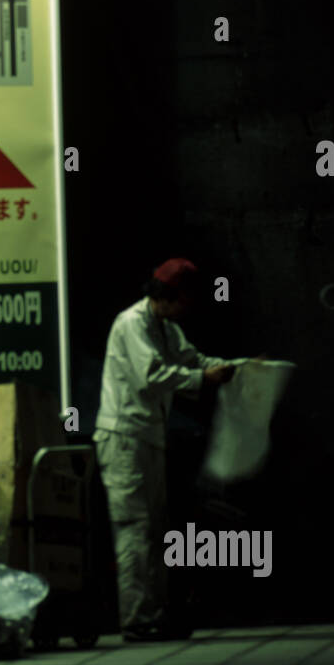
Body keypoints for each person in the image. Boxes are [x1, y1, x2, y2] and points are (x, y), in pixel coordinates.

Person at [93, 258, 236, 643]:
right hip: (124, 437)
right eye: (185, 300)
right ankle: (138, 619)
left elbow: (192, 360)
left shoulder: (165, 326)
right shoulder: (132, 324)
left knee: (153, 529)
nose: (188, 309)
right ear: (169, 297)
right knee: (135, 530)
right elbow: (151, 377)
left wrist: (227, 367)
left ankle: (152, 614)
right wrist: (201, 378)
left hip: (147, 437)